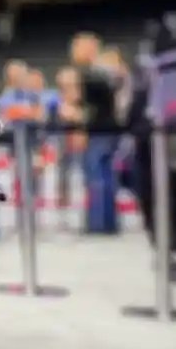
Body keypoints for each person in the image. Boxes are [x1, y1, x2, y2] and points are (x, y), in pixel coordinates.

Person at [71, 32, 120, 234]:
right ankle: (108, 222)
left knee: (96, 178)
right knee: (106, 177)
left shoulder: (91, 74)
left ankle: (98, 223)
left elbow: (90, 108)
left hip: (97, 131)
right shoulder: (107, 72)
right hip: (110, 129)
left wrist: (82, 127)